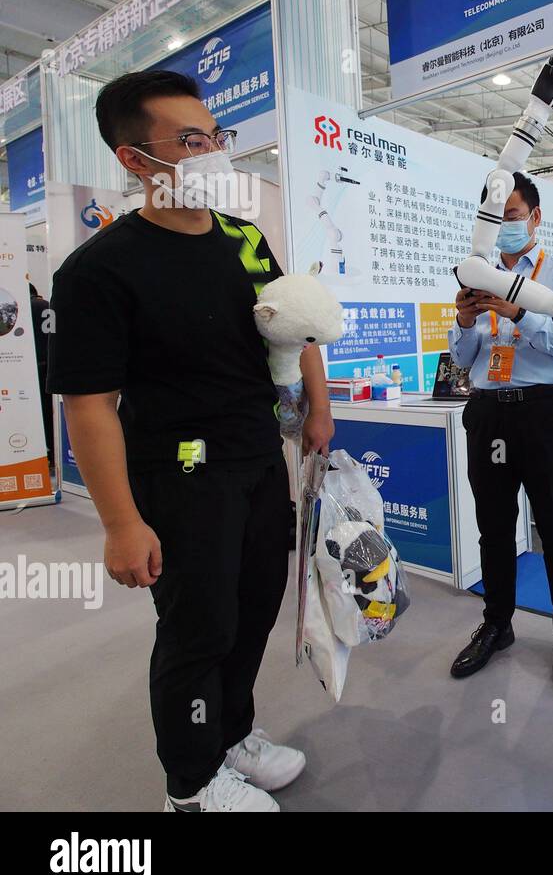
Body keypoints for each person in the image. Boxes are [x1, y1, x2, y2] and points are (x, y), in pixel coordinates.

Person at [45, 69, 333, 812]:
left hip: (256, 458)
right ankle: (192, 783)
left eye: (216, 137)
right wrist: (119, 522)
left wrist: (319, 410)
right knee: (197, 627)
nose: (213, 153)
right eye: (192, 141)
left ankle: (231, 732)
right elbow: (90, 406)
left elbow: (295, 324)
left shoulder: (242, 238)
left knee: (254, 607)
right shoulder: (99, 270)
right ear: (136, 160)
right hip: (180, 474)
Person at [447, 172, 553, 697]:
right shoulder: (476, 274)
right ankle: (497, 623)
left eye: (511, 216)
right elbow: (463, 360)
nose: (504, 226)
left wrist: (519, 313)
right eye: (495, 218)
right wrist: (463, 322)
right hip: (489, 413)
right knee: (494, 526)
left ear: (533, 216)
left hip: (543, 412)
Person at [29, 282, 54, 470]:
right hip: (51, 365)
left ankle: (44, 453)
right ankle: (54, 455)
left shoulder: (24, 307)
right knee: (51, 414)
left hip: (34, 368)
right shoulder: (47, 305)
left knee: (41, 416)